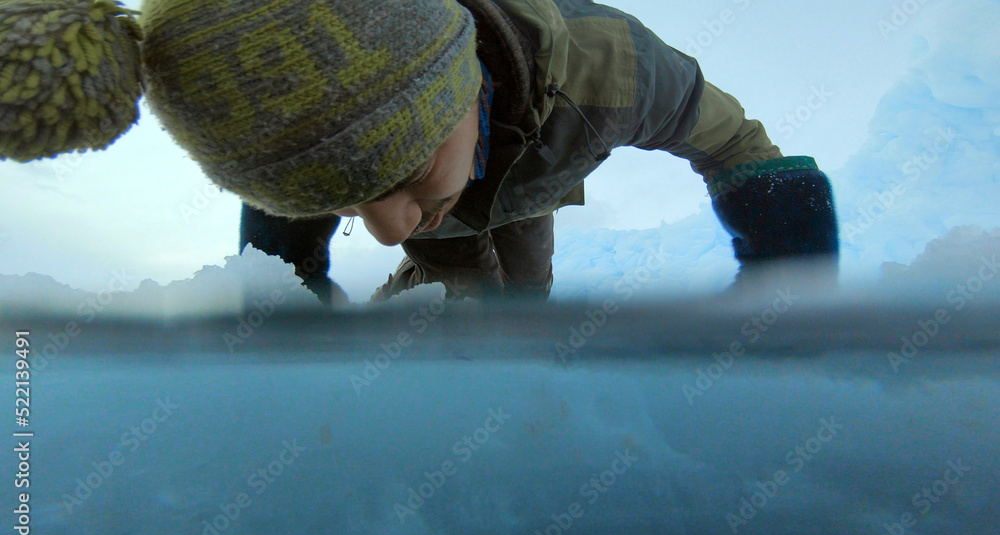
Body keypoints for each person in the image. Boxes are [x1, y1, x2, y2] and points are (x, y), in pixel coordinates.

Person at [1, 0, 839, 305]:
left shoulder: (613, 67)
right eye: (338, 198)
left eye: (397, 176)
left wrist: (792, 296)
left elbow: (739, 147)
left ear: (462, 85)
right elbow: (285, 273)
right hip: (475, 186)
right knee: (455, 292)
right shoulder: (300, 174)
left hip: (539, 170)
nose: (384, 229)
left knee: (524, 293)